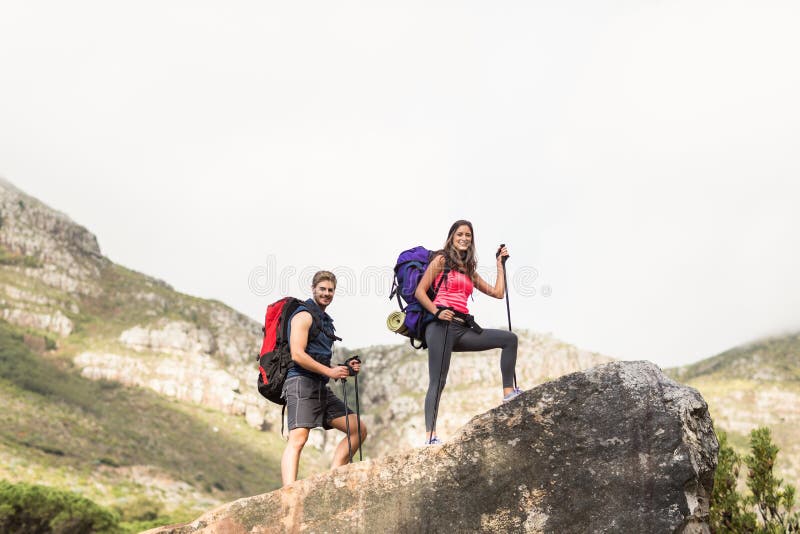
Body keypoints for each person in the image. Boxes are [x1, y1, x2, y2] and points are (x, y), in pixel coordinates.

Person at [415, 220, 520, 445]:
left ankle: (509, 393)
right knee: (438, 380)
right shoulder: (441, 260)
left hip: (462, 327)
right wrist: (436, 311)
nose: (464, 238)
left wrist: (499, 264)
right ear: (452, 237)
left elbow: (498, 293)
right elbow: (419, 292)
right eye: (460, 234)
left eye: (468, 235)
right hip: (441, 326)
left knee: (509, 339)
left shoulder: (468, 269)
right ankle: (430, 436)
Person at [280, 270, 367, 485]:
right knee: (298, 438)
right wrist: (329, 372)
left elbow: (317, 358)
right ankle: (288, 492)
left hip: (319, 385)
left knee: (358, 429)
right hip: (300, 382)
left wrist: (344, 368)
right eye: (322, 289)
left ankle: (334, 476)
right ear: (313, 289)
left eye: (330, 290)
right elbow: (297, 354)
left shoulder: (325, 321)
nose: (326, 294)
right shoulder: (303, 315)